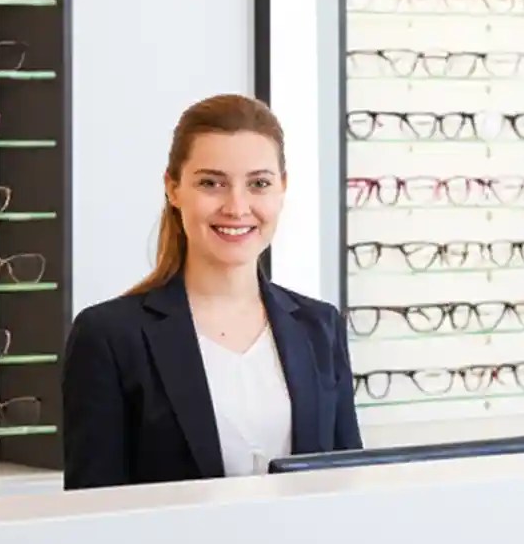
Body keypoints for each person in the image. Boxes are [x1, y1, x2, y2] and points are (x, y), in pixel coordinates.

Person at [60, 93, 362, 489]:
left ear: (282, 189)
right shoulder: (110, 337)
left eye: (258, 184)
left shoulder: (320, 327)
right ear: (173, 188)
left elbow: (349, 488)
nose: (237, 207)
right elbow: (92, 514)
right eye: (211, 183)